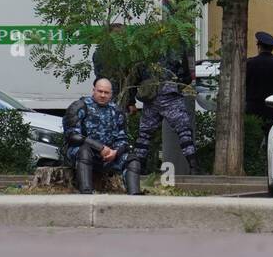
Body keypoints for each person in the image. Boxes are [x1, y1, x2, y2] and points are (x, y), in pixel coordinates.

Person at [62, 78, 139, 195]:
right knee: (85, 151)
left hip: (108, 157)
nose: (103, 95)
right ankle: (86, 193)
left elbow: (123, 139)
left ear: (111, 94)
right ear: (94, 90)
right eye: (100, 91)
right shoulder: (80, 106)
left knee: (132, 159)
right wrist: (99, 147)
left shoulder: (117, 111)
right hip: (80, 153)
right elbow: (71, 135)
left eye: (106, 93)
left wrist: (116, 152)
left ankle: (135, 197)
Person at [133, 43, 200, 174]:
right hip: (171, 94)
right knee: (184, 132)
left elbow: (136, 75)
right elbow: (185, 75)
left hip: (150, 96)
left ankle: (138, 169)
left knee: (144, 135)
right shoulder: (177, 47)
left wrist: (131, 100)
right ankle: (194, 167)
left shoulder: (142, 49)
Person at [245, 31, 273, 130]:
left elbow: (244, 83)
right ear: (271, 48)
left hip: (253, 108)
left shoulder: (250, 63)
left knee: (254, 134)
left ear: (259, 47)